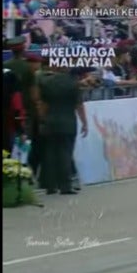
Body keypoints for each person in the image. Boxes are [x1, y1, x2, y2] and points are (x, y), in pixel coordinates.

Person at [38, 64, 89, 195]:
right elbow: (79, 105)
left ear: (55, 69)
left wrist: (42, 120)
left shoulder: (47, 83)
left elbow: (43, 104)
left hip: (50, 121)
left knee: (49, 154)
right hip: (68, 122)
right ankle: (65, 185)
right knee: (65, 153)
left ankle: (50, 186)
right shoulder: (73, 84)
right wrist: (84, 122)